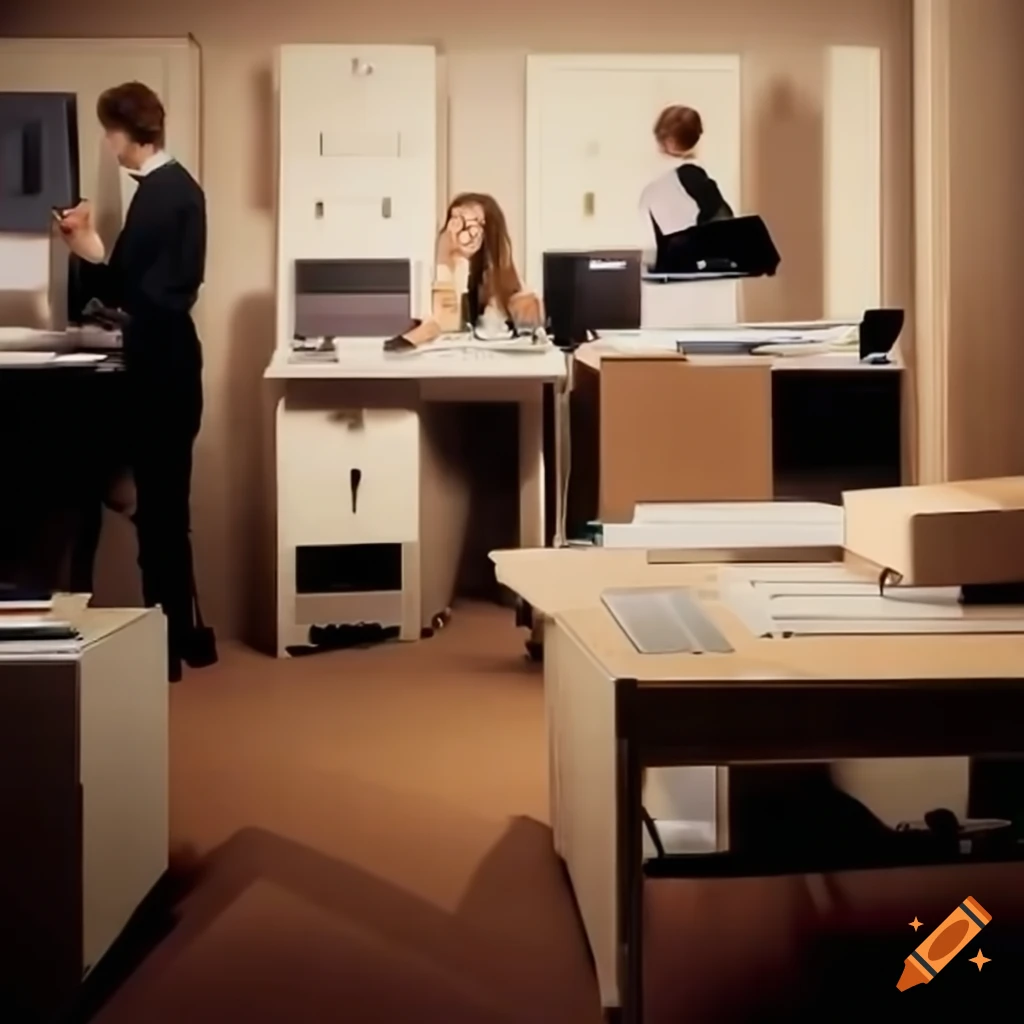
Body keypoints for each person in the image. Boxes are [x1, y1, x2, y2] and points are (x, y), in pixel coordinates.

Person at [56, 81, 212, 682]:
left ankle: (165, 649)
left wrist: (89, 257)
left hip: (161, 370)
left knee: (160, 510)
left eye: (109, 131)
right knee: (163, 508)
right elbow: (134, 277)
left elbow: (128, 287)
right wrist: (90, 248)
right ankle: (172, 642)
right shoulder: (176, 190)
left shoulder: (161, 195)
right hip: (172, 364)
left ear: (125, 132)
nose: (107, 143)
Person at [640, 105, 734, 252]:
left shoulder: (650, 188)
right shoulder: (694, 177)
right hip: (700, 264)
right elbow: (726, 227)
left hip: (663, 265)